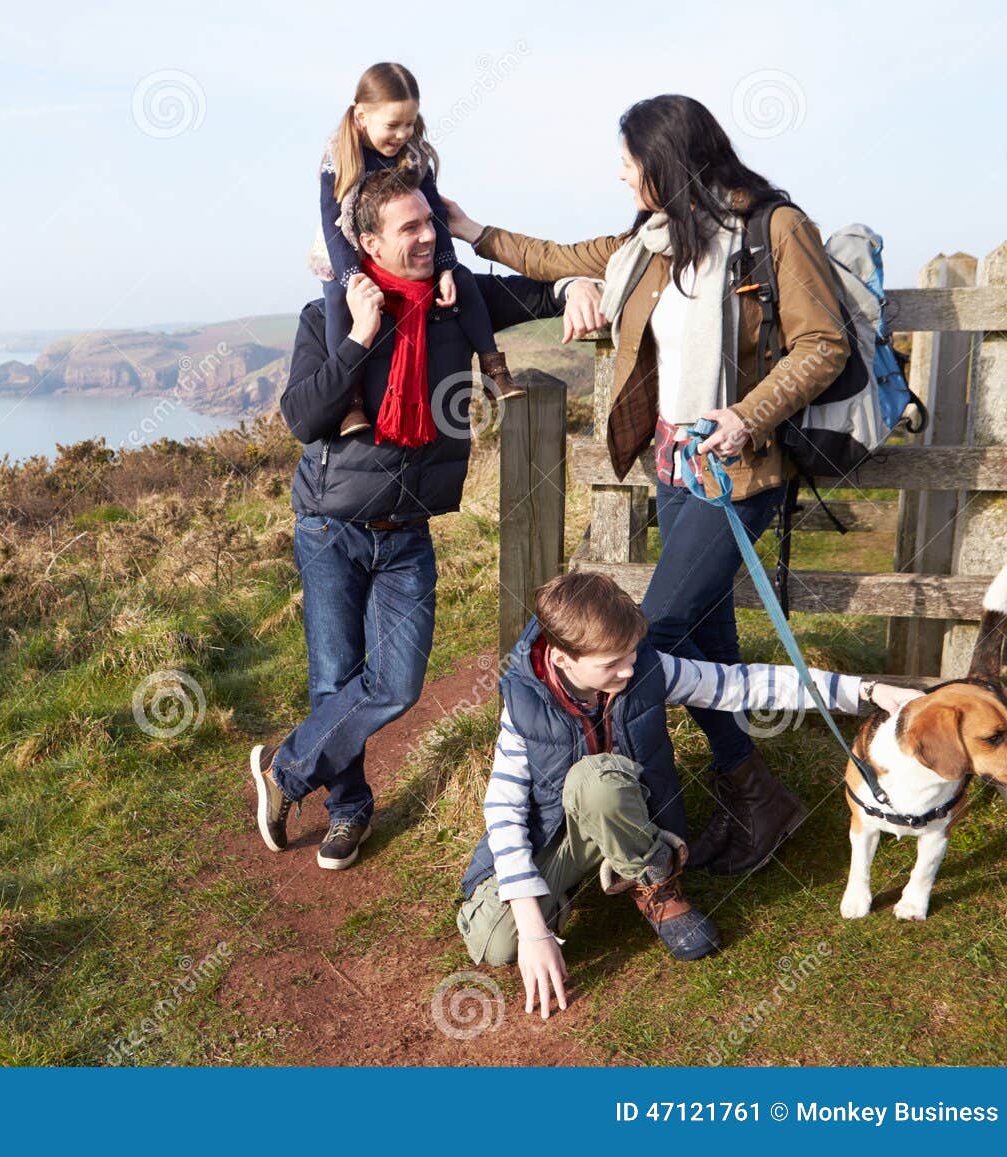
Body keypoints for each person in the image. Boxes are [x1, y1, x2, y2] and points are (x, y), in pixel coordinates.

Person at [445, 94, 853, 875]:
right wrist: (474, 232)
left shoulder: (773, 229)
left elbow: (822, 343)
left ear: (669, 165)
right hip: (673, 468)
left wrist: (747, 413)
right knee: (708, 639)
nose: (623, 177)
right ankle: (752, 792)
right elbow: (563, 256)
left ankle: (646, 836)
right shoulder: (656, 239)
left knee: (649, 641)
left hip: (738, 471)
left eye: (632, 165)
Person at [250, 167, 601, 871]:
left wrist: (576, 286)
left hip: (407, 530)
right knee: (334, 679)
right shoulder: (326, 315)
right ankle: (347, 810)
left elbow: (533, 288)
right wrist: (358, 335)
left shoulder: (454, 298)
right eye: (409, 227)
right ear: (369, 241)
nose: (427, 237)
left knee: (398, 683)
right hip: (331, 526)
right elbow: (303, 417)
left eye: (430, 224)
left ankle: (284, 769)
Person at [458, 570, 921, 1019]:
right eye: (611, 664)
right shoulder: (523, 705)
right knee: (497, 944)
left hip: (626, 807)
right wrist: (534, 927)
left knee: (596, 779)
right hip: (560, 832)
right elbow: (504, 807)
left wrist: (867, 689)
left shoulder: (647, 669)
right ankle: (578, 882)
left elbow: (745, 684)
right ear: (562, 659)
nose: (628, 670)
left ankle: (654, 884)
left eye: (631, 655)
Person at [310, 61, 523, 439]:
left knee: (463, 281)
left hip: (402, 246)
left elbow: (435, 211)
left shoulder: (415, 154)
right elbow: (331, 222)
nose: (402, 133)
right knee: (339, 305)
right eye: (392, 125)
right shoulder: (338, 156)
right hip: (347, 250)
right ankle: (351, 402)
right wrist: (351, 277)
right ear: (361, 116)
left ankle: (494, 368)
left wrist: (443, 265)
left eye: (409, 123)